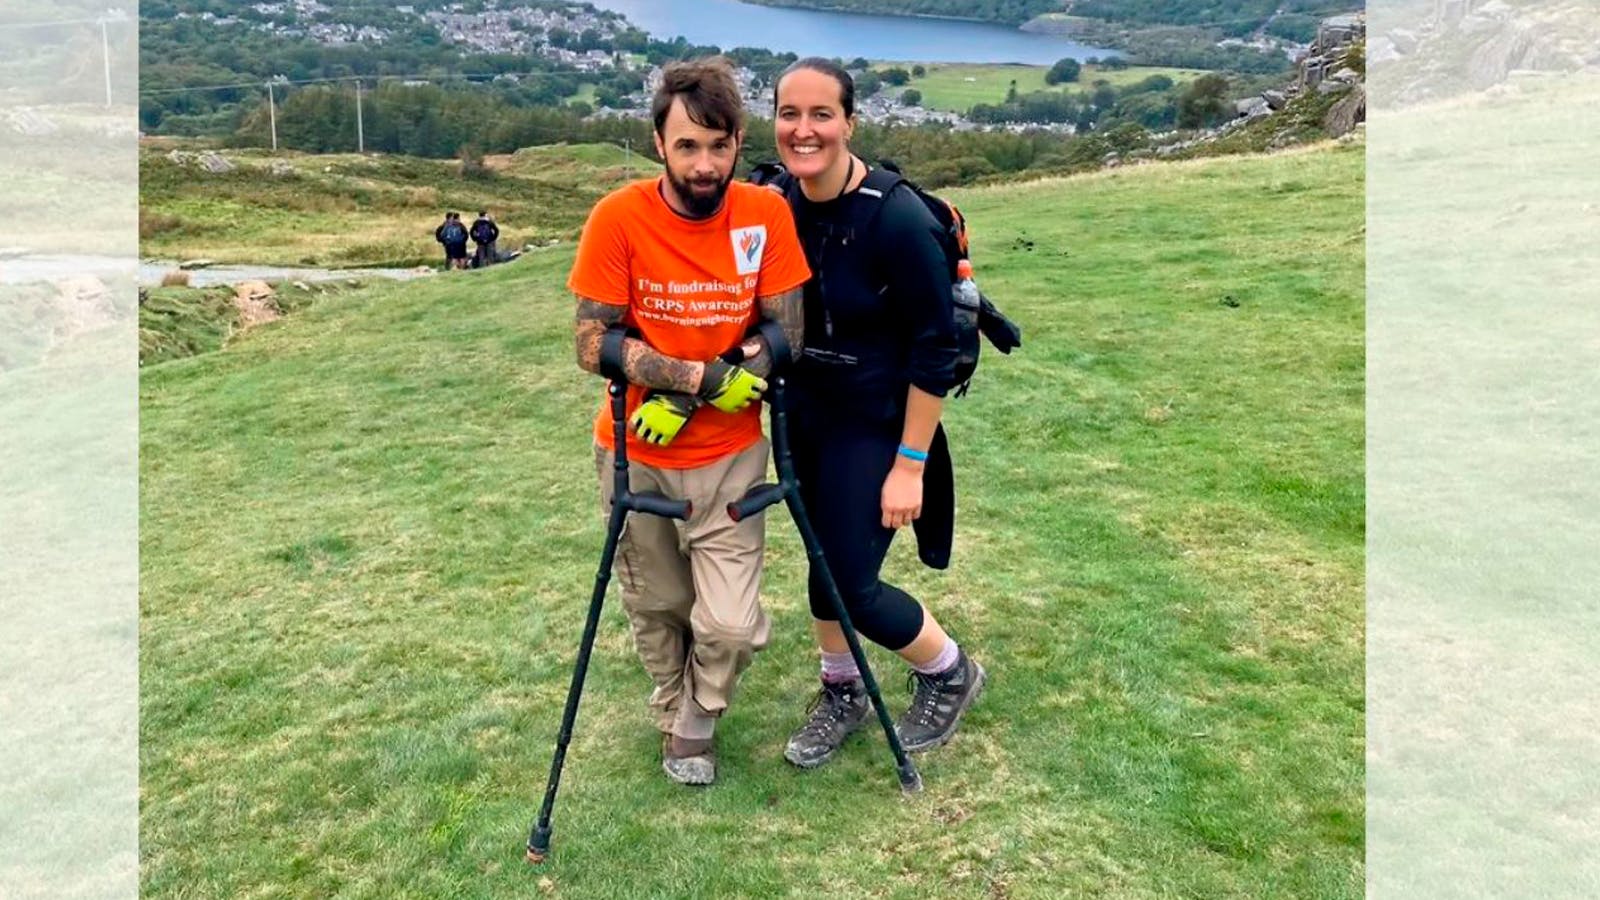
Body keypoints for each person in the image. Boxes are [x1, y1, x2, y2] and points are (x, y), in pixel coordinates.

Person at [568, 57, 808, 785]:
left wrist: (700, 395)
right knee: (659, 602)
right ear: (657, 143)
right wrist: (698, 379)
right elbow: (590, 342)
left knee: (730, 623)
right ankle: (676, 710)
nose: (704, 165)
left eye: (718, 145)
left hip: (730, 457)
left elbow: (787, 332)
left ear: (738, 142)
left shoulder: (765, 214)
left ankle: (701, 713)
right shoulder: (619, 217)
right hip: (634, 452)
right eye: (687, 146)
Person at [769, 58, 986, 769]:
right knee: (820, 559)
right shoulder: (778, 202)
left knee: (855, 588)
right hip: (806, 415)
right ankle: (843, 690)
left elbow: (933, 352)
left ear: (849, 122)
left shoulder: (894, 219)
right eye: (789, 114)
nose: (804, 131)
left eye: (821, 115)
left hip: (877, 420)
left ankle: (949, 669)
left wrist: (909, 467)